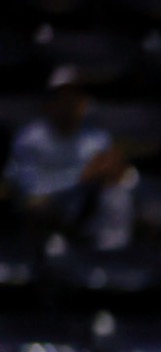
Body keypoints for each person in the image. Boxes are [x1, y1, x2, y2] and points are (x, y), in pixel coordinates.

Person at [2, 69, 132, 250]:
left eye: (77, 97)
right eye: (64, 97)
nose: (70, 103)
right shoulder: (30, 138)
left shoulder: (97, 139)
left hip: (80, 210)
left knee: (116, 192)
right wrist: (81, 176)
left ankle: (111, 253)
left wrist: (113, 172)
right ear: (50, 102)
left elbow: (113, 177)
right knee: (36, 204)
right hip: (41, 208)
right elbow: (27, 186)